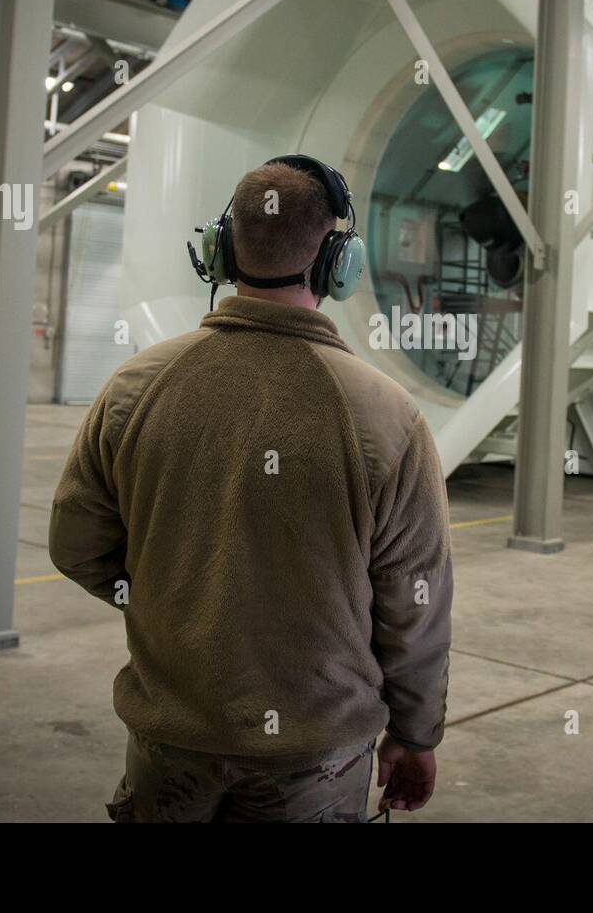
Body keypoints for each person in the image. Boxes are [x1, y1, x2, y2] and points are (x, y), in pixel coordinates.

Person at [50, 155, 453, 822]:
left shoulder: (133, 388)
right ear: (338, 264)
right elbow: (416, 604)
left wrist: (170, 599)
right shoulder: (387, 417)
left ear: (221, 251)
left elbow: (76, 546)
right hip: (315, 756)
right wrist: (416, 734)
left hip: (169, 742)